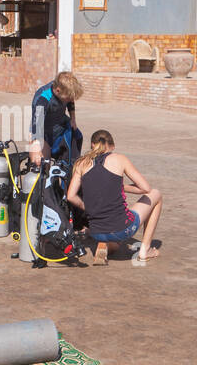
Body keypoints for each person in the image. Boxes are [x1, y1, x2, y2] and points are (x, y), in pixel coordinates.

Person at [66, 129, 162, 265]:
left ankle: (103, 244)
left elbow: (70, 196)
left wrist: (87, 208)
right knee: (156, 194)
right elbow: (146, 188)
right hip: (122, 229)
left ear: (92, 145)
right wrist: (122, 186)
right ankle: (145, 250)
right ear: (112, 146)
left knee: (115, 243)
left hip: (96, 231)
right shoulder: (119, 159)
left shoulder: (82, 163)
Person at [29, 71, 84, 169]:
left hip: (60, 126)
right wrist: (36, 144)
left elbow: (71, 101)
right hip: (42, 132)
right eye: (67, 98)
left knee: (76, 140)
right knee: (41, 165)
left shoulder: (64, 89)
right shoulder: (42, 99)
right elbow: (37, 124)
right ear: (57, 91)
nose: (69, 100)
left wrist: (73, 119)